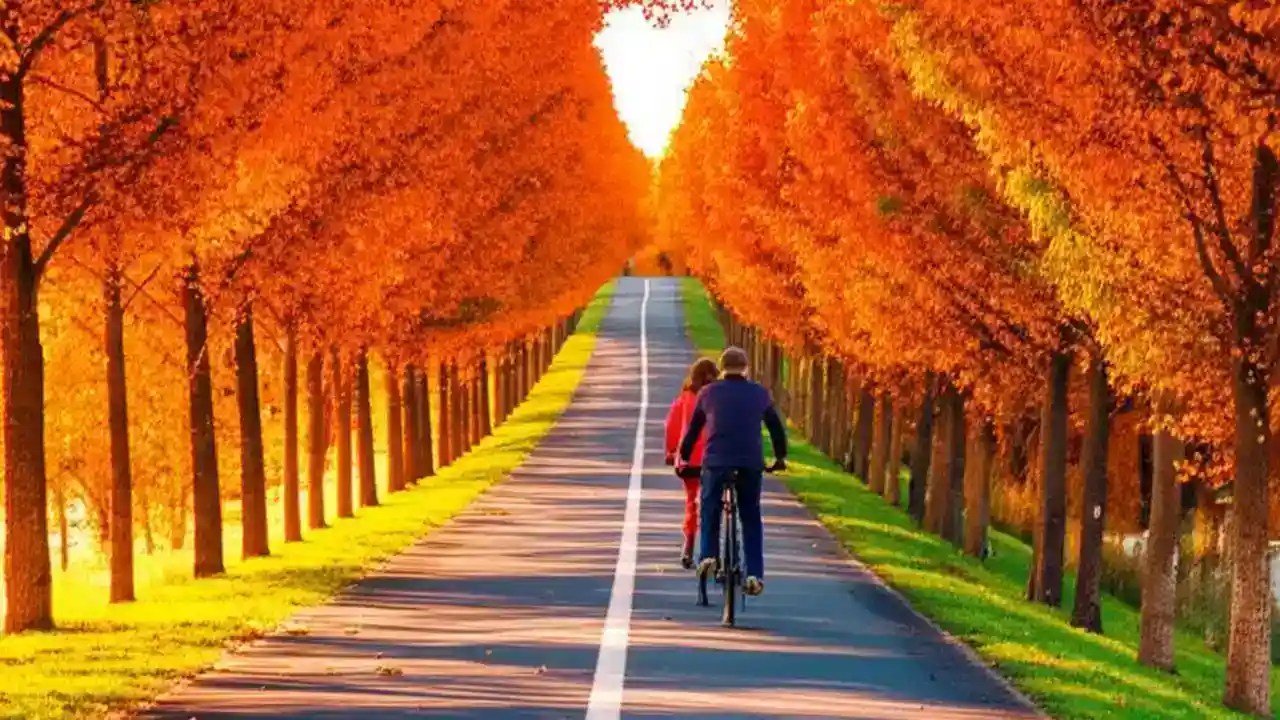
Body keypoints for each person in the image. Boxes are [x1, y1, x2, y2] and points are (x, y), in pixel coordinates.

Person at [678, 346, 787, 597]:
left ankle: (708, 556)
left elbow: (694, 430)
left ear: (722, 368)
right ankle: (755, 574)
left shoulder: (707, 393)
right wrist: (779, 457)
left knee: (710, 507)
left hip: (716, 461)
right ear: (746, 368)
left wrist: (684, 454)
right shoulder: (760, 394)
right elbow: (776, 428)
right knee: (750, 516)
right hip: (750, 462)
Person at [664, 358, 719, 569]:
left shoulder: (685, 398)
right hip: (715, 459)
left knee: (691, 501)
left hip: (690, 461)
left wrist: (671, 452)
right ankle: (712, 548)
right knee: (714, 500)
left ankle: (688, 545)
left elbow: (672, 425)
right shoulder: (718, 399)